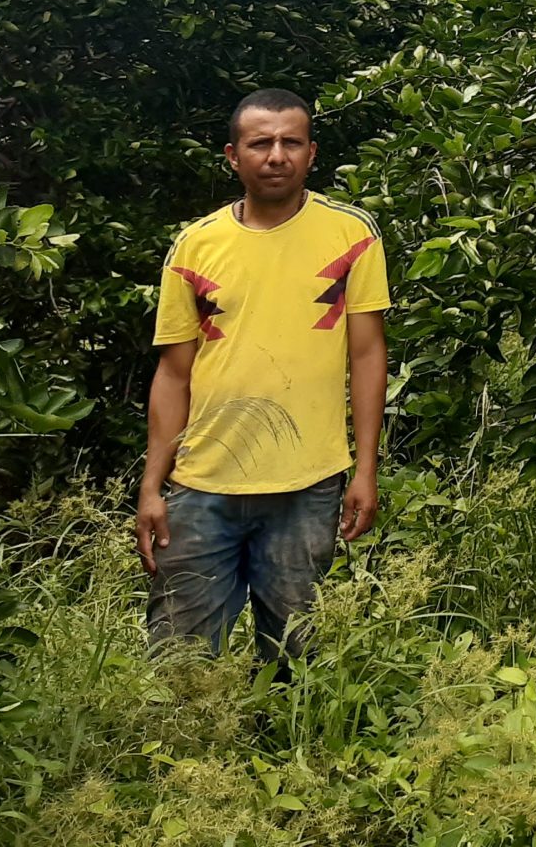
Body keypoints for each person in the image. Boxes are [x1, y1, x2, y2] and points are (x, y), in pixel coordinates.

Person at [136, 88, 390, 667]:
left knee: (297, 659)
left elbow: (369, 355)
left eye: (290, 142)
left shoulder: (352, 237)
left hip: (309, 482)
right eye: (260, 143)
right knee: (179, 657)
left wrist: (365, 469)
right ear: (233, 156)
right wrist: (154, 484)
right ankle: (184, 755)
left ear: (311, 152)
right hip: (203, 484)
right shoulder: (195, 246)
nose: (276, 156)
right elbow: (174, 374)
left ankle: (287, 756)